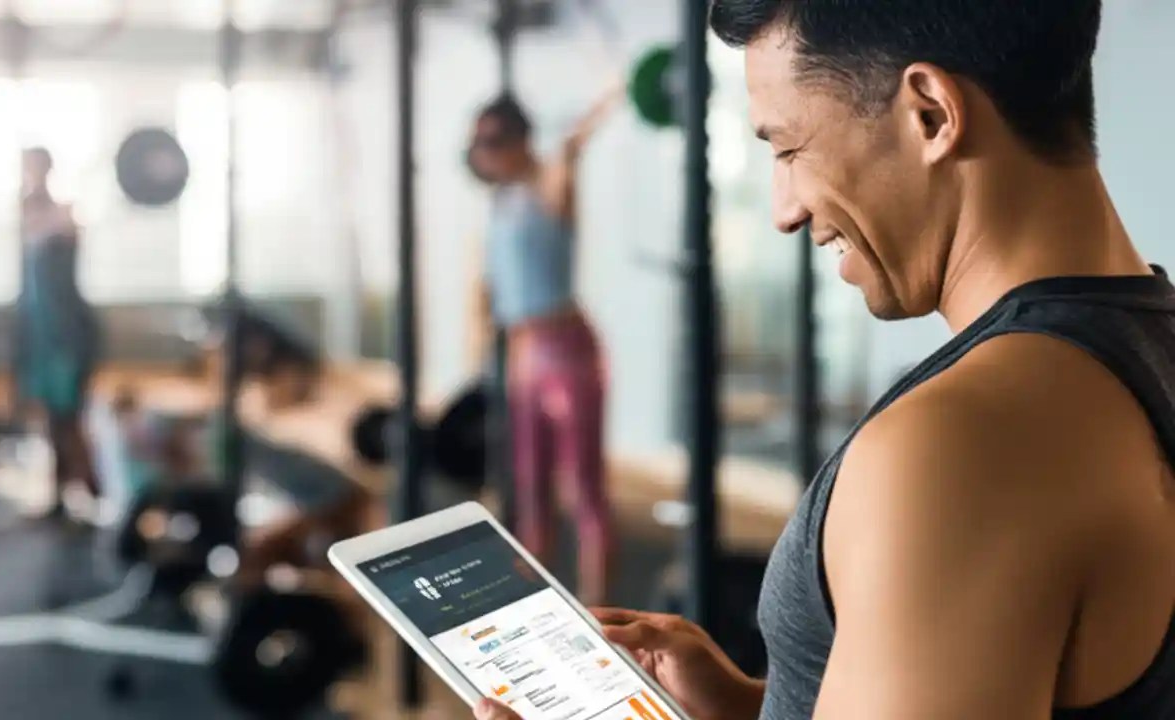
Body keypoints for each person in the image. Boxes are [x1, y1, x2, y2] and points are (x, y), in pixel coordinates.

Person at [476, 2, 1175, 719]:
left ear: (930, 115)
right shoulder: (1147, 348)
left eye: (787, 150)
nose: (785, 209)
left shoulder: (963, 449)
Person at [468, 90, 620, 606]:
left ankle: (603, 618)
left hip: (568, 350)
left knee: (582, 489)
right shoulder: (502, 200)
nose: (484, 153)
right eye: (479, 142)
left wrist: (609, 93)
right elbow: (488, 286)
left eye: (492, 141)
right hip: (524, 355)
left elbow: (573, 147)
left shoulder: (550, 185)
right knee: (531, 491)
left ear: (518, 140)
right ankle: (538, 617)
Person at [17, 146, 102, 519]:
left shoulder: (62, 220)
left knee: (69, 419)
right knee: (53, 420)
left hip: (67, 337)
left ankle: (92, 494)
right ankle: (60, 494)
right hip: (42, 337)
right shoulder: (28, 217)